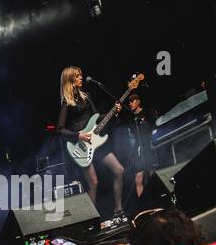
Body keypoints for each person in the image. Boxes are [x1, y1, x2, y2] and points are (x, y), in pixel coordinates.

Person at [54, 66, 125, 218]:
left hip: (96, 142)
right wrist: (77, 136)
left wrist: (114, 111)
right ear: (70, 80)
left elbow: (96, 117)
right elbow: (59, 129)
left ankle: (118, 209)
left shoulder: (86, 96)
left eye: (81, 75)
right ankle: (91, 219)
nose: (81, 78)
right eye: (78, 76)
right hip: (80, 146)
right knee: (93, 184)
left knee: (119, 170)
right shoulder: (67, 102)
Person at [114, 92, 156, 211]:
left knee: (152, 173)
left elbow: (153, 125)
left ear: (138, 101)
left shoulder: (147, 112)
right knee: (138, 177)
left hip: (148, 145)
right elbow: (122, 121)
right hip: (137, 148)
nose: (130, 104)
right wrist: (120, 110)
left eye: (132, 101)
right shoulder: (130, 117)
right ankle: (143, 206)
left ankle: (158, 196)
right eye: (129, 102)